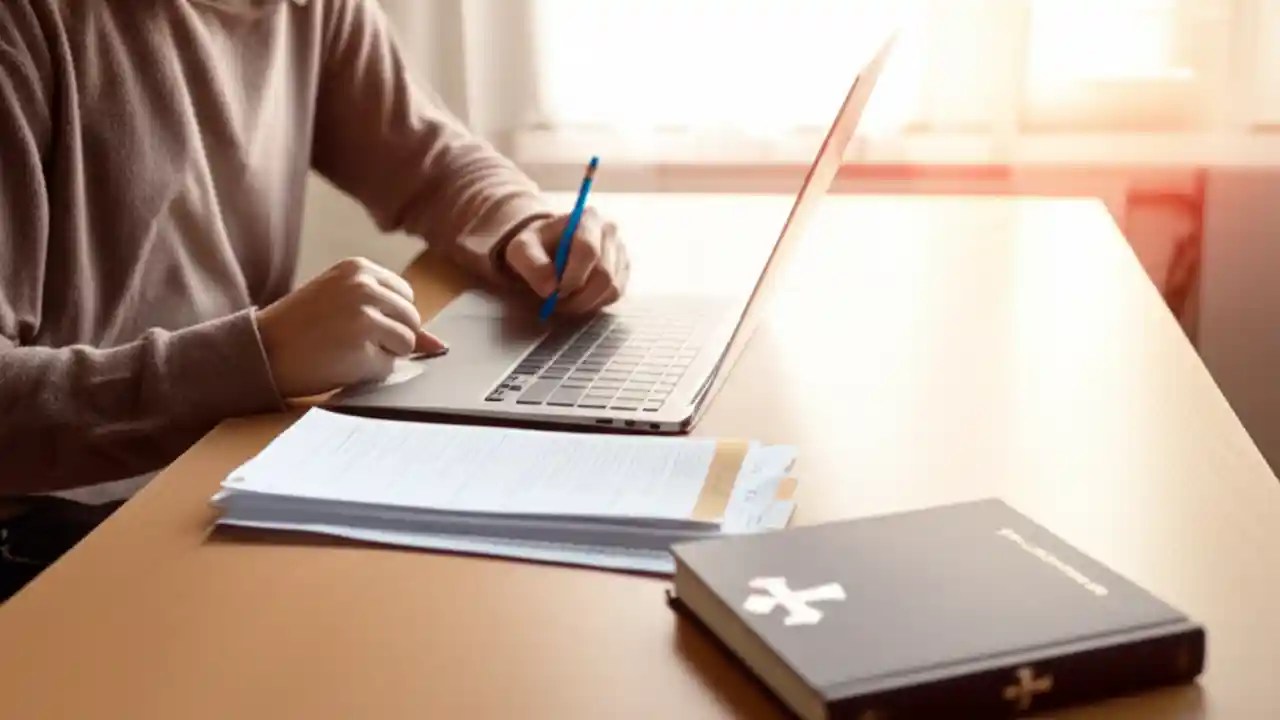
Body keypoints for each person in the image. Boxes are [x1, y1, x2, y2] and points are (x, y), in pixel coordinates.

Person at [0, 0, 629, 598]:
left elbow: (432, 160)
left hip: (230, 467)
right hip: (56, 527)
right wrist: (258, 357)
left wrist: (522, 223)